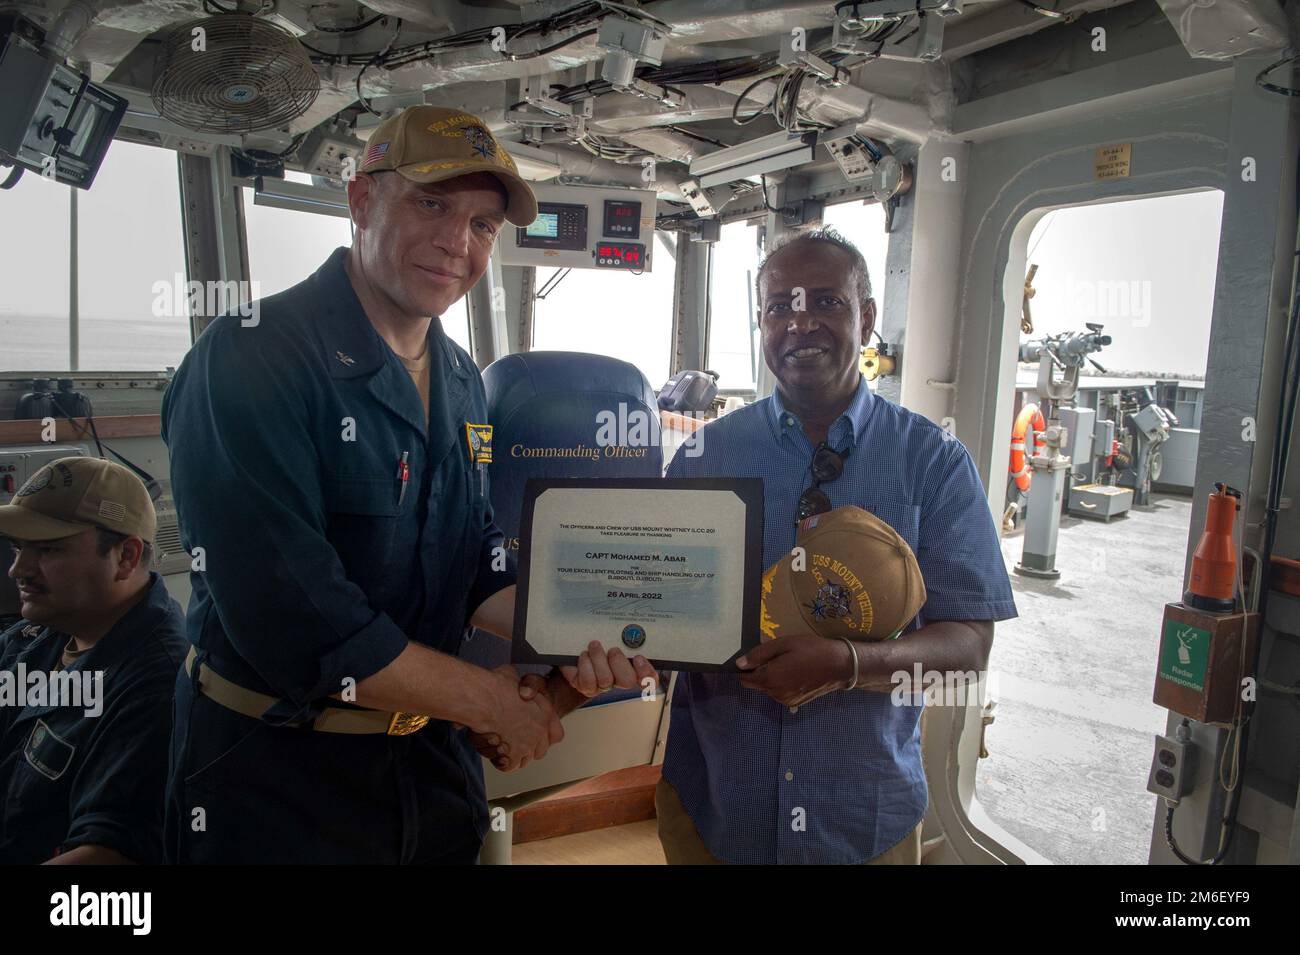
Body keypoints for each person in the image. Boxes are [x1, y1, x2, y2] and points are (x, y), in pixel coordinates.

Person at [162, 105, 652, 864]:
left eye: (484, 223)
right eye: (433, 203)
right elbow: (300, 620)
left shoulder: (459, 376)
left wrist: (590, 625)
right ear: (361, 201)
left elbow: (473, 556)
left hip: (428, 770)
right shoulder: (251, 357)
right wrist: (496, 702)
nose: (458, 242)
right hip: (279, 780)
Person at [656, 228, 1018, 864]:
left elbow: (967, 649)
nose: (800, 324)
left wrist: (847, 665)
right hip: (713, 811)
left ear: (867, 318)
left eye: (825, 302)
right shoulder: (705, 457)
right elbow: (659, 608)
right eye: (778, 307)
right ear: (760, 321)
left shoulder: (932, 463)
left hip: (862, 823)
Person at [0, 456, 186, 864]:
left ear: (125, 557)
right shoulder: (48, 626)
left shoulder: (157, 683)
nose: (18, 569)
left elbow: (107, 852)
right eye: (18, 548)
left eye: (47, 550)